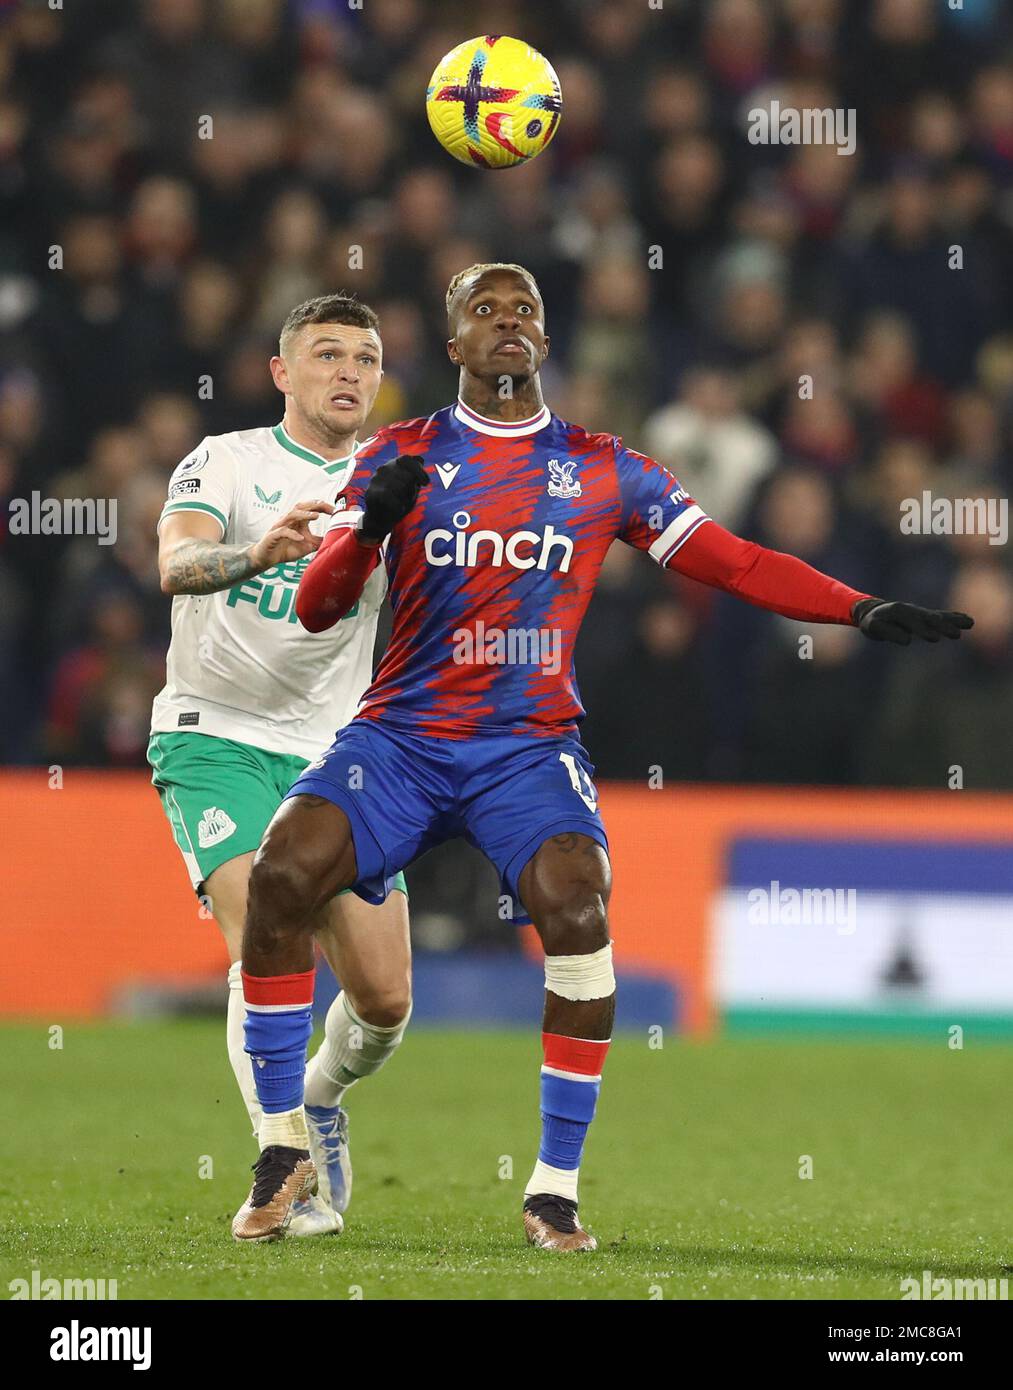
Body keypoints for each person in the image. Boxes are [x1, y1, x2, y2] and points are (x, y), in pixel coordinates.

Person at [232, 264, 972, 1249]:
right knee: (282, 872)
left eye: (522, 310)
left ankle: (551, 1188)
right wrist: (368, 524)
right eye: (482, 311)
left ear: (544, 340)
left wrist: (858, 606)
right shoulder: (397, 454)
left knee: (578, 908)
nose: (506, 322)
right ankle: (283, 1148)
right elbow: (318, 606)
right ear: (453, 346)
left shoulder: (602, 469)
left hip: (525, 748)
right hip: (401, 739)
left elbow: (736, 561)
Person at [149, 295, 412, 1238]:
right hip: (214, 731)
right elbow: (174, 566)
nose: (348, 371)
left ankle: (319, 1096)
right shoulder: (227, 459)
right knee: (264, 933)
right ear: (281, 374)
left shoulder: (404, 480)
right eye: (327, 353)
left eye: (365, 358)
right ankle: (282, 1157)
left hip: (343, 751)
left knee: (383, 1004)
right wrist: (257, 551)